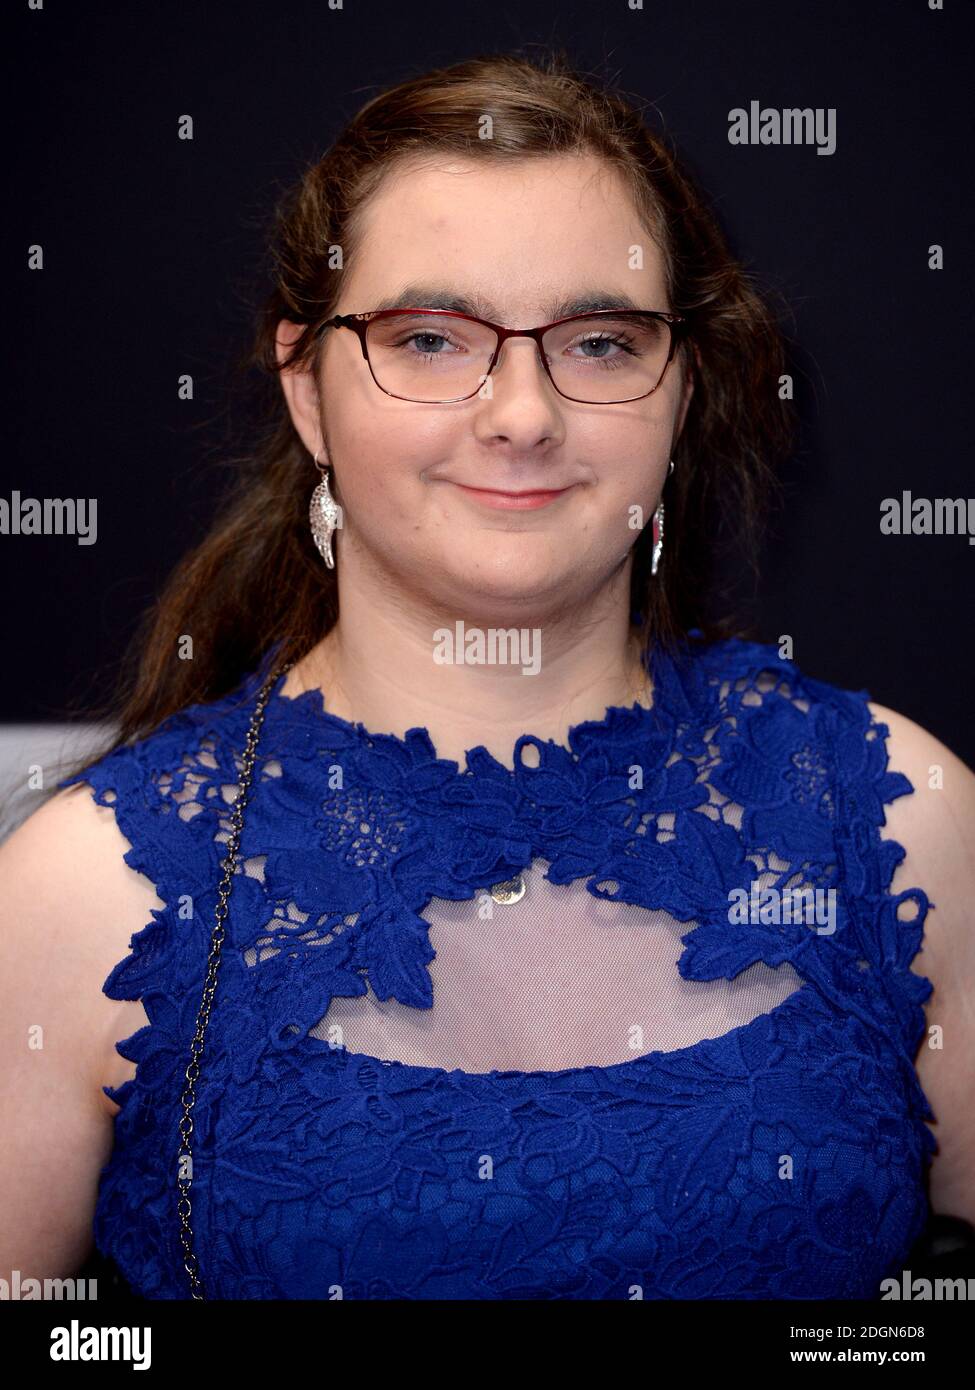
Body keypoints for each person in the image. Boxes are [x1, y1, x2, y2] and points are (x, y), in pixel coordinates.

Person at [1, 51, 972, 1301]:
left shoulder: (892, 815)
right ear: (308, 390)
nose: (521, 413)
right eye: (430, 337)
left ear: (679, 389)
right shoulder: (78, 896)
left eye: (602, 341)